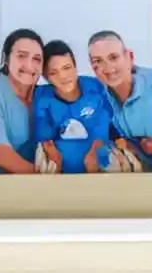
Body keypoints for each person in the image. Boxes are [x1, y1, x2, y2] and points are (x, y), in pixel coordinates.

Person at [32, 40, 113, 174]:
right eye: (53, 73)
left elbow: (103, 126)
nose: (63, 76)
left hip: (97, 161)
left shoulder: (95, 87)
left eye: (67, 68)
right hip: (62, 168)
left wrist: (95, 154)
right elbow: (45, 140)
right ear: (45, 77)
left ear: (75, 67)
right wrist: (56, 166)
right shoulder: (43, 98)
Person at [87, 30, 152, 171]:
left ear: (129, 57)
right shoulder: (97, 95)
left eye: (113, 57)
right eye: (98, 62)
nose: (108, 68)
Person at [0, 28, 44, 174]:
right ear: (6, 58)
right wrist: (45, 180)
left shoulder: (43, 95)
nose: (29, 66)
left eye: (36, 59)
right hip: (2, 185)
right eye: (21, 56)